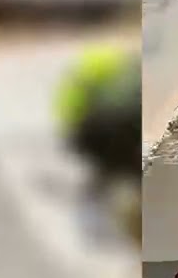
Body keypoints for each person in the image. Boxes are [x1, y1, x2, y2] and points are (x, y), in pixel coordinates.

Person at [54, 44, 142, 244]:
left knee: (108, 176)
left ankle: (96, 219)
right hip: (109, 131)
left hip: (92, 130)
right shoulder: (128, 70)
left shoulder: (111, 68)